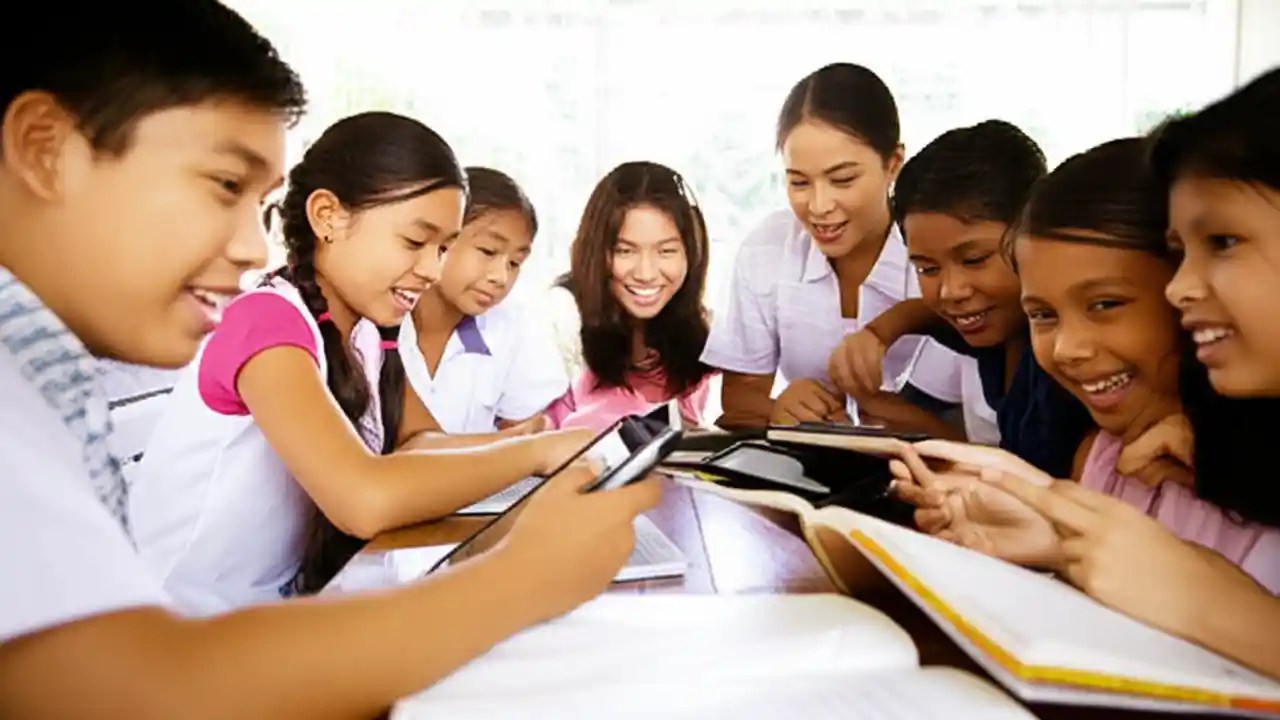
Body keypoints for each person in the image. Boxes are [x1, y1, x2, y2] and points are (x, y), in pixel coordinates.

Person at [0, 4, 658, 715]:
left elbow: (418, 444)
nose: (251, 248)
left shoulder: (360, 334)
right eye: (224, 185)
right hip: (209, 631)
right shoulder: (264, 319)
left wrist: (535, 449)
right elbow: (363, 496)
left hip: (253, 630)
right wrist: (525, 566)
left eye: (259, 207)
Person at [702, 62, 967, 431]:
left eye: (842, 179)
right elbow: (739, 399)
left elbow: (979, 426)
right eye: (799, 182)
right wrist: (782, 408)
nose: (819, 206)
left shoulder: (937, 252)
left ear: (893, 165)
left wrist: (904, 421)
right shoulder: (769, 248)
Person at [832, 120, 1091, 467]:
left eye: (974, 260)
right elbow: (926, 315)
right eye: (927, 269)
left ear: (1033, 238)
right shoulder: (998, 326)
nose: (951, 291)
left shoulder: (1061, 367)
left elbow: (1040, 485)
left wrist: (933, 436)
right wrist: (878, 333)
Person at [545, 161, 716, 432]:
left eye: (666, 251)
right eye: (625, 251)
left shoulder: (702, 329)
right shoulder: (561, 319)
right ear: (595, 251)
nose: (646, 274)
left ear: (691, 253)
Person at [398, 166, 566, 438]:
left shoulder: (514, 327)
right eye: (488, 251)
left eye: (515, 263)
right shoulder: (381, 318)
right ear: (442, 237)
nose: (501, 277)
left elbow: (526, 436)